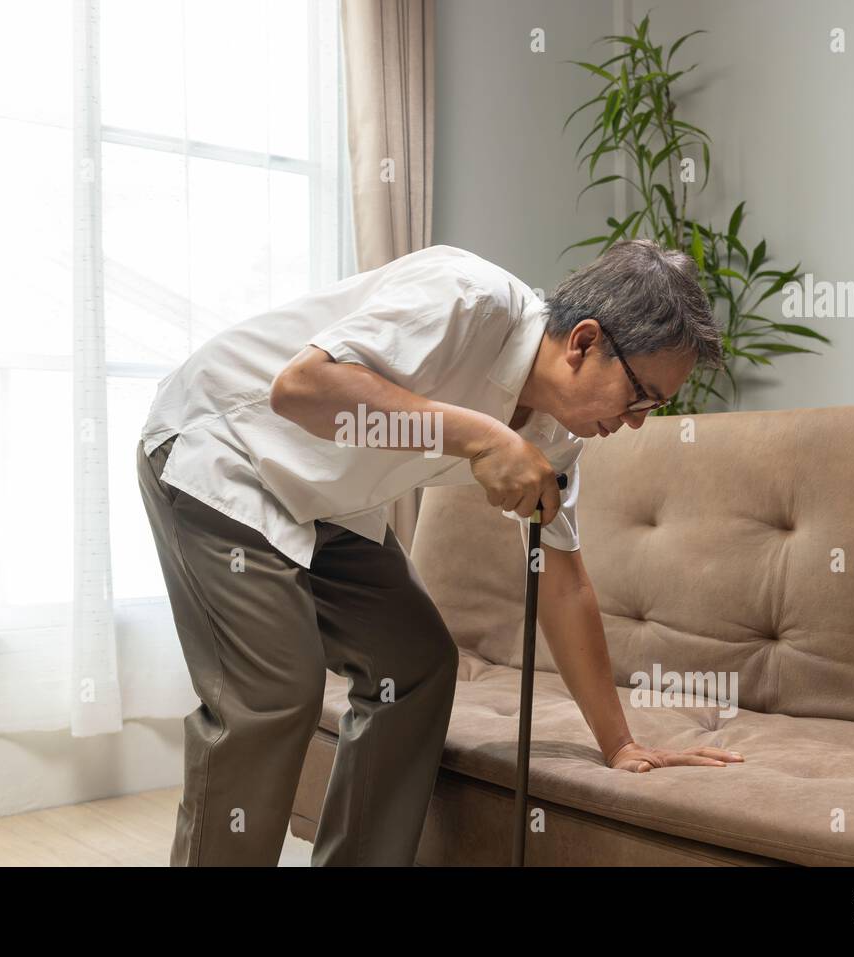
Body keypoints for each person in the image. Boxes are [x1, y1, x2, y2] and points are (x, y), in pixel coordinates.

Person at [136, 238, 743, 867]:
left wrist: (619, 744)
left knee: (417, 665)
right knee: (276, 690)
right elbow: (301, 389)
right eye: (639, 395)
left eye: (655, 407)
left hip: (328, 500)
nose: (639, 421)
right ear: (585, 342)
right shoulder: (465, 297)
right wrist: (481, 435)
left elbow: (562, 581)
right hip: (223, 449)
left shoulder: (559, 436)